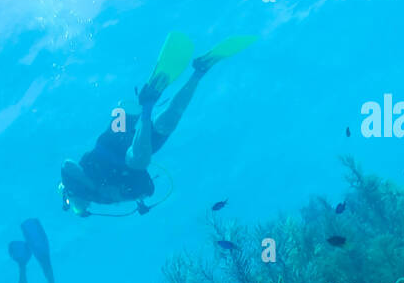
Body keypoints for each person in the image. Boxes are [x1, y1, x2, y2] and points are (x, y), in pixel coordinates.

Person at [59, 33, 257, 218]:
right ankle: (199, 71)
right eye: (79, 210)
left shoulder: (73, 184)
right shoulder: (103, 201)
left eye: (75, 207)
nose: (83, 208)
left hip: (110, 145)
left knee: (130, 124)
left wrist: (87, 187)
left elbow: (67, 164)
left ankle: (140, 107)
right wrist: (140, 200)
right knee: (165, 125)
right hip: (133, 151)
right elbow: (136, 187)